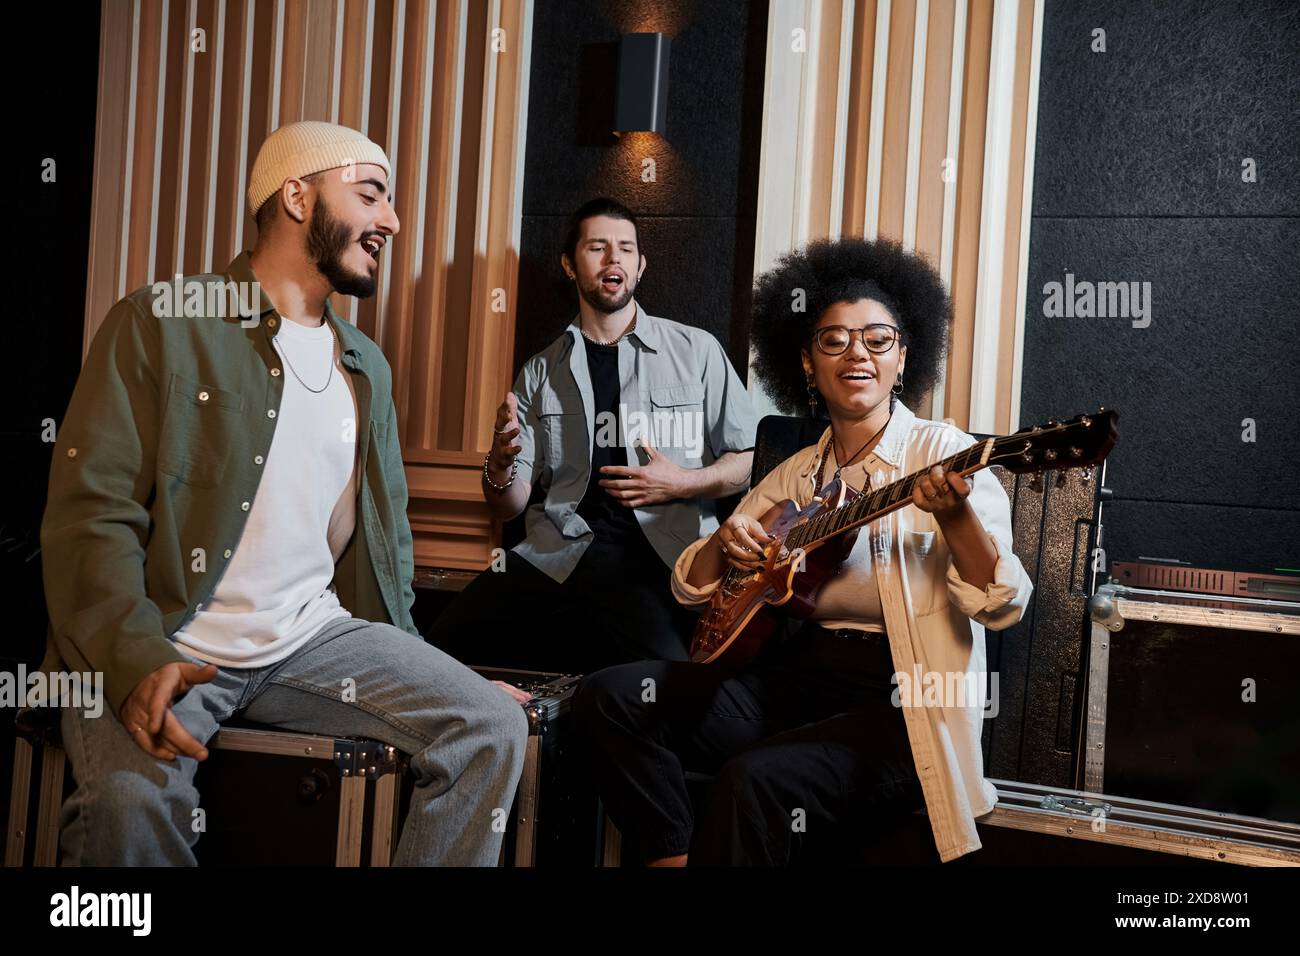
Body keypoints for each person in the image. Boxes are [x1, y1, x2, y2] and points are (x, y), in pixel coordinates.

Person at [38, 120, 528, 866]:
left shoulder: (366, 365)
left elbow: (386, 553)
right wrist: (133, 660)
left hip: (306, 641)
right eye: (372, 195)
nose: (392, 222)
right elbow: (91, 517)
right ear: (297, 196)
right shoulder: (161, 322)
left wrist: (436, 675)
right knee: (128, 805)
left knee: (491, 724)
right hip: (165, 639)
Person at [573, 236, 1034, 865]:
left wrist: (952, 515)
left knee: (752, 783)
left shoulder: (944, 453)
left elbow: (1002, 604)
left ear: (903, 357)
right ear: (808, 364)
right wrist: (726, 546)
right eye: (834, 340)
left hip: (903, 707)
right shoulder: (795, 475)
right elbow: (689, 585)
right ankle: (669, 856)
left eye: (878, 339)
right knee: (610, 697)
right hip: (799, 682)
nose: (857, 355)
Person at [427, 198, 758, 673]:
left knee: (678, 687)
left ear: (640, 266)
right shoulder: (541, 370)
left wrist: (682, 483)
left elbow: (748, 460)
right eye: (597, 247)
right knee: (440, 656)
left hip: (661, 557)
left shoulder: (697, 351)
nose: (613, 259)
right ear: (570, 264)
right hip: (556, 553)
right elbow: (510, 504)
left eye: (625, 248)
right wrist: (497, 465)